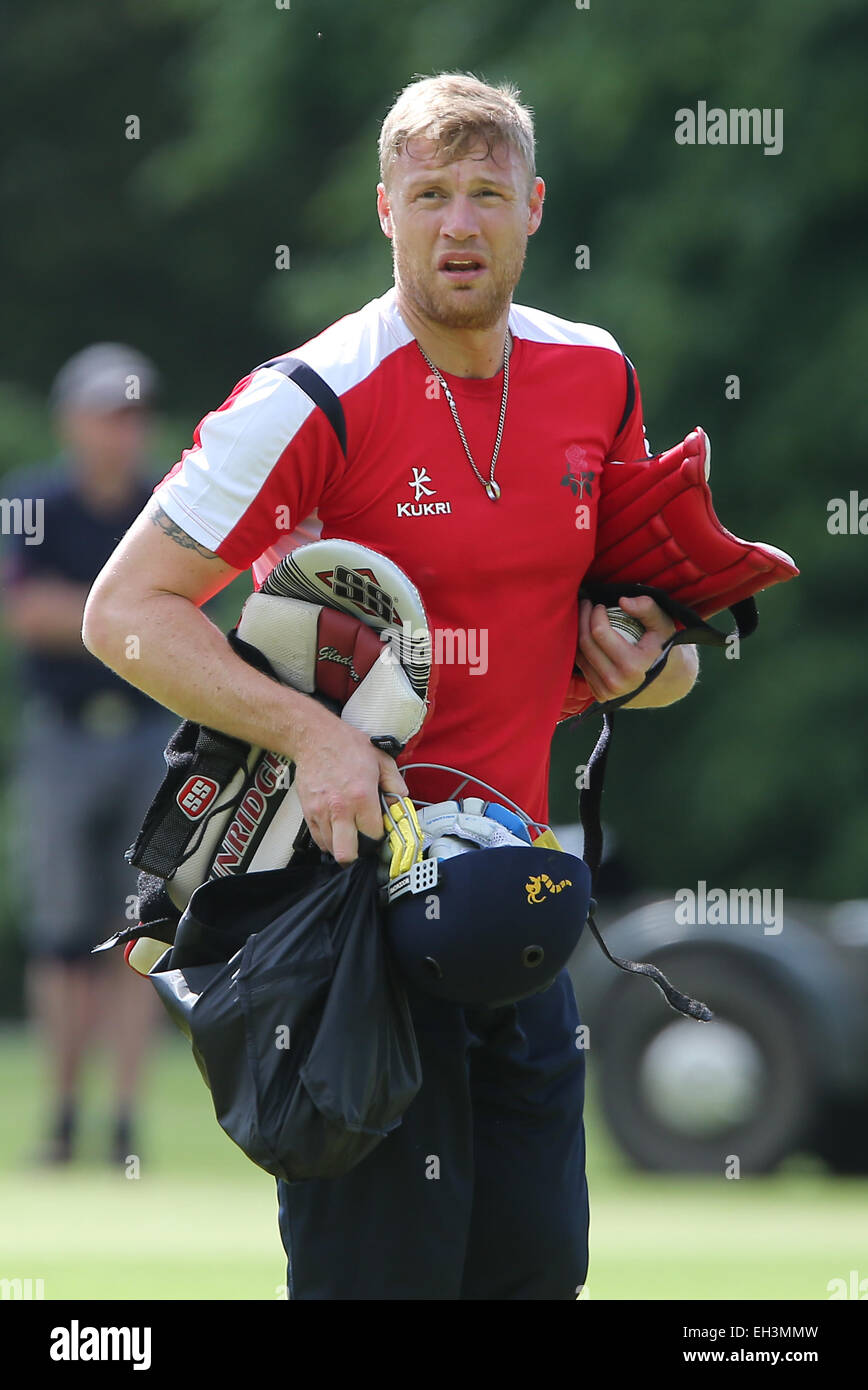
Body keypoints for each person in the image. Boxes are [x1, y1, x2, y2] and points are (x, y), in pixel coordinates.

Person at [82, 74, 698, 1298]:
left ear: (533, 208)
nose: (457, 224)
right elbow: (124, 613)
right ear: (385, 212)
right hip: (344, 917)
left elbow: (656, 649)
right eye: (429, 196)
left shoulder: (598, 376)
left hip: (513, 896)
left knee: (534, 1277)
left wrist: (649, 664)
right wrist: (311, 734)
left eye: (483, 194)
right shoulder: (308, 394)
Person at [1, 343, 174, 1165]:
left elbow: (194, 609)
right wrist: (120, 616)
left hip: (153, 738)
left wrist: (93, 615)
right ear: (73, 420)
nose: (120, 432)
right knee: (64, 936)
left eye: (131, 416)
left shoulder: (163, 506)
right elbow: (20, 610)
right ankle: (63, 1117)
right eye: (107, 415)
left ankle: (125, 1125)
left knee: (137, 933)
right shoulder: (32, 500)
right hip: (66, 737)